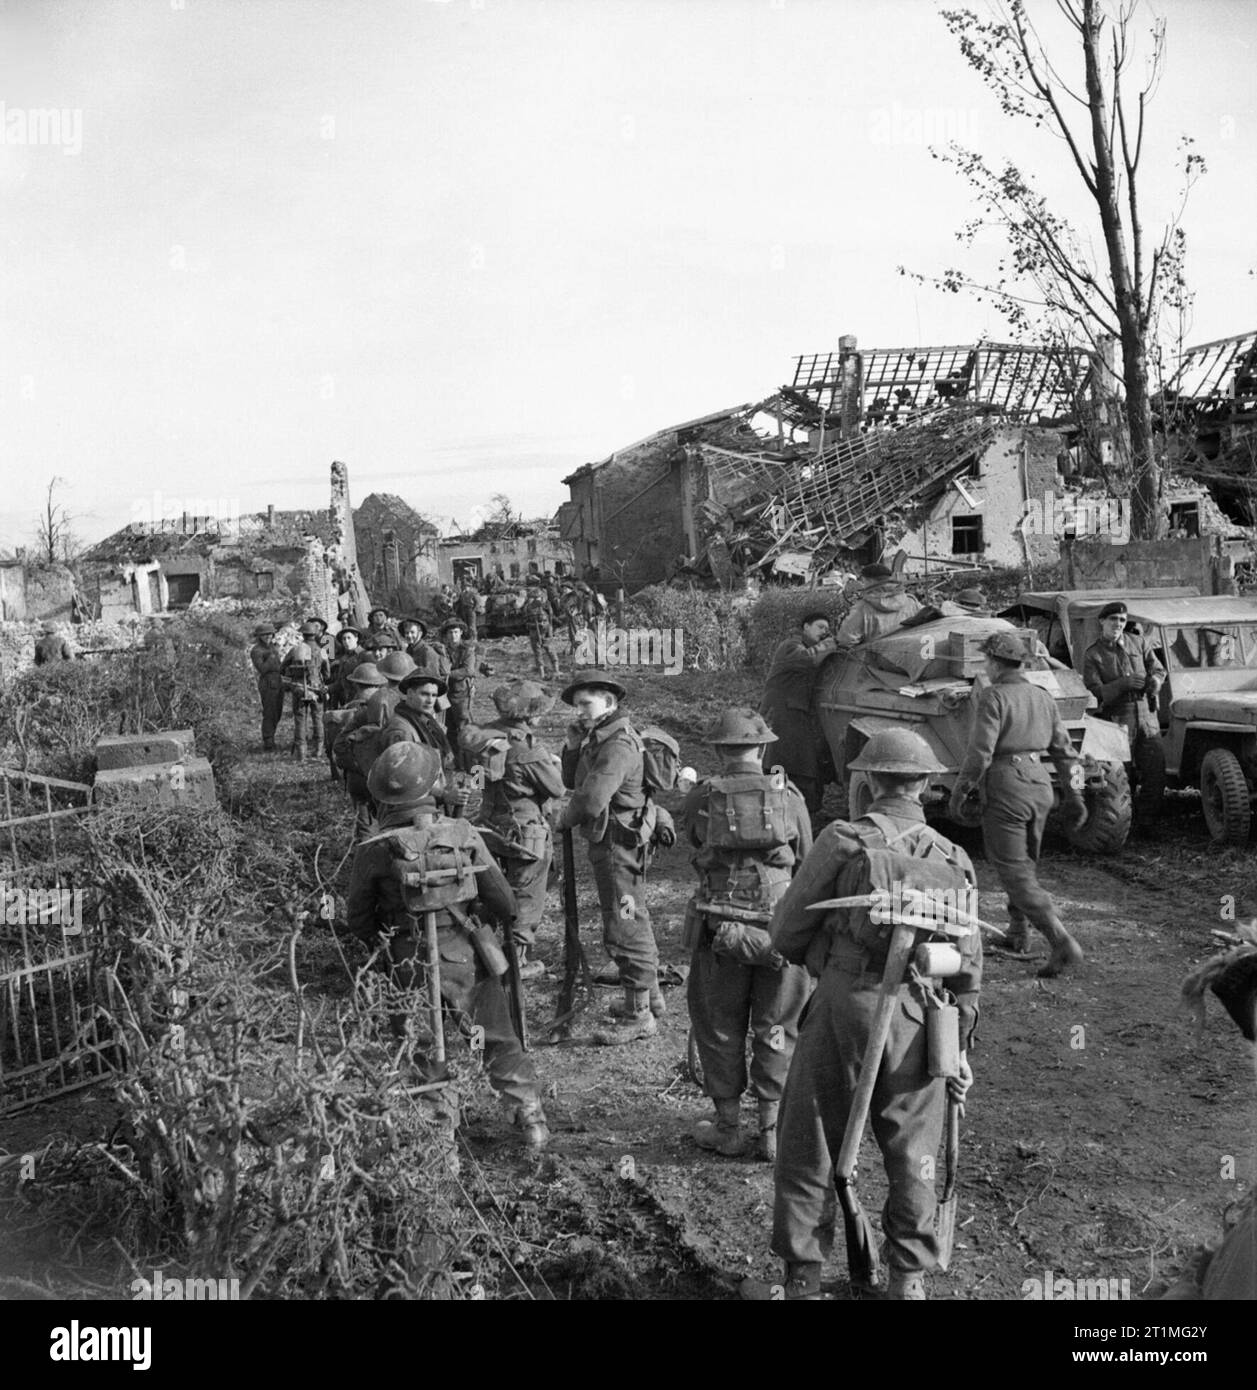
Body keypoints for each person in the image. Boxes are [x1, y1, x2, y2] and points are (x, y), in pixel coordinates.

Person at [747, 729, 981, 1301]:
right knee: (914, 1150)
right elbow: (969, 965)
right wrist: (962, 1045)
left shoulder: (843, 839)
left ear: (869, 780)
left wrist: (831, 962)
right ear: (926, 786)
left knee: (810, 1139)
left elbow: (786, 931)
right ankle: (908, 1281)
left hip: (842, 1003)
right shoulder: (953, 857)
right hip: (923, 1011)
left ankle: (801, 1280)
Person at [346, 743, 549, 1156]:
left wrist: (384, 950)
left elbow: (358, 921)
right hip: (466, 961)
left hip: (408, 967)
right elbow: (506, 904)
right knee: (494, 1038)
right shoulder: (465, 835)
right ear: (433, 785)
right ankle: (530, 1120)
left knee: (424, 1051)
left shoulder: (375, 849)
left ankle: (441, 1144)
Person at [682, 709, 813, 1161]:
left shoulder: (701, 797)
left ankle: (728, 1128)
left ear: (719, 751)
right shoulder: (791, 797)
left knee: (719, 1025)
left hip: (719, 929)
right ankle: (772, 1131)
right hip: (782, 934)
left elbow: (695, 843)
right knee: (777, 1026)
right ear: (762, 749)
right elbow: (806, 859)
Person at [949, 631, 1087, 976]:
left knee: (1015, 871)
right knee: (1025, 864)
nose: (986, 666)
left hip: (1006, 786)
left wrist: (960, 790)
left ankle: (1062, 942)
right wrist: (1076, 794)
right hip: (1040, 784)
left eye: (986, 661)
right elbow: (1068, 754)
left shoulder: (994, 697)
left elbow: (980, 753)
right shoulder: (1042, 697)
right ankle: (1017, 931)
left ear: (995, 663)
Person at [558, 671, 661, 1043]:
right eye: (577, 705)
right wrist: (572, 747)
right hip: (614, 844)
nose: (580, 712)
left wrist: (561, 818)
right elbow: (575, 782)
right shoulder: (597, 738)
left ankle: (639, 1014)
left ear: (610, 703)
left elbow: (590, 799)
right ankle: (652, 996)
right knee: (633, 914)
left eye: (586, 704)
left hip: (619, 847)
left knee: (624, 919)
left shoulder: (618, 745)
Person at [461, 680, 565, 981]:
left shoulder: (484, 736)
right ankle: (516, 962)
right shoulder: (526, 748)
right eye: (537, 713)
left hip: (489, 827)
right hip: (525, 832)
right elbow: (556, 788)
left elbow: (477, 780)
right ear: (528, 715)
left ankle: (481, 946)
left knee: (492, 890)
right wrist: (552, 764)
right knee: (526, 894)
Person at [758, 611, 839, 814]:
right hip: (780, 714)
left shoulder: (809, 648)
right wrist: (833, 643)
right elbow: (807, 660)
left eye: (827, 630)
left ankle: (797, 808)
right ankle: (778, 807)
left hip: (795, 714)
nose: (824, 632)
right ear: (805, 627)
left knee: (800, 763)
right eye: (820, 627)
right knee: (779, 762)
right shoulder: (791, 646)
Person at [1082, 601, 1165, 795]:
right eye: (1113, 619)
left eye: (1122, 620)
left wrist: (1155, 681)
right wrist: (1121, 684)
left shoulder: (1139, 642)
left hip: (1147, 715)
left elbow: (1159, 669)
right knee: (1120, 774)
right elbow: (1094, 691)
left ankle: (1147, 821)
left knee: (1156, 770)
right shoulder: (1093, 654)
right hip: (1117, 718)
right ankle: (1124, 820)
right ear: (1102, 621)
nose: (1117, 623)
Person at [835, 564, 921, 645]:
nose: (862, 585)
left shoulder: (862, 608)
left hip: (875, 659)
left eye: (863, 581)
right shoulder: (911, 602)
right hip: (907, 657)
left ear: (870, 581)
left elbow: (845, 640)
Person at [281, 622, 330, 761]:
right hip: (316, 689)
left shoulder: (295, 650)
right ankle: (318, 752)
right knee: (318, 718)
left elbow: (282, 668)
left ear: (303, 634)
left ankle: (301, 754)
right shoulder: (322, 651)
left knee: (300, 719)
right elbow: (327, 674)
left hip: (299, 688)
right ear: (316, 634)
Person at [442, 618, 478, 758]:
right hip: (446, 692)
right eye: (450, 632)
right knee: (449, 726)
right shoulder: (443, 650)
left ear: (461, 633)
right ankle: (457, 758)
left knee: (464, 726)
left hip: (462, 693)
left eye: (456, 632)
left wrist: (447, 674)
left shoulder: (467, 650)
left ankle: (471, 760)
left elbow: (468, 670)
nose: (453, 636)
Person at [249, 623, 284, 752]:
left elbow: (279, 665)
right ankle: (268, 741)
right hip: (268, 682)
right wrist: (271, 657)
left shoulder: (273, 648)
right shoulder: (257, 650)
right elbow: (262, 669)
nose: (268, 637)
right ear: (259, 636)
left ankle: (271, 737)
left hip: (278, 680)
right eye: (265, 635)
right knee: (269, 712)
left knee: (277, 712)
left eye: (270, 634)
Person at [523, 575, 561, 679]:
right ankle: (542, 673)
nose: (534, 600)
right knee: (537, 653)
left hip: (545, 633)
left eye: (537, 598)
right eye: (532, 598)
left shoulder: (546, 606)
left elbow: (551, 618)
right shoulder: (527, 608)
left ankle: (556, 670)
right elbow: (525, 622)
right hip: (534, 634)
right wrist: (533, 625)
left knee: (551, 650)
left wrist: (545, 626)